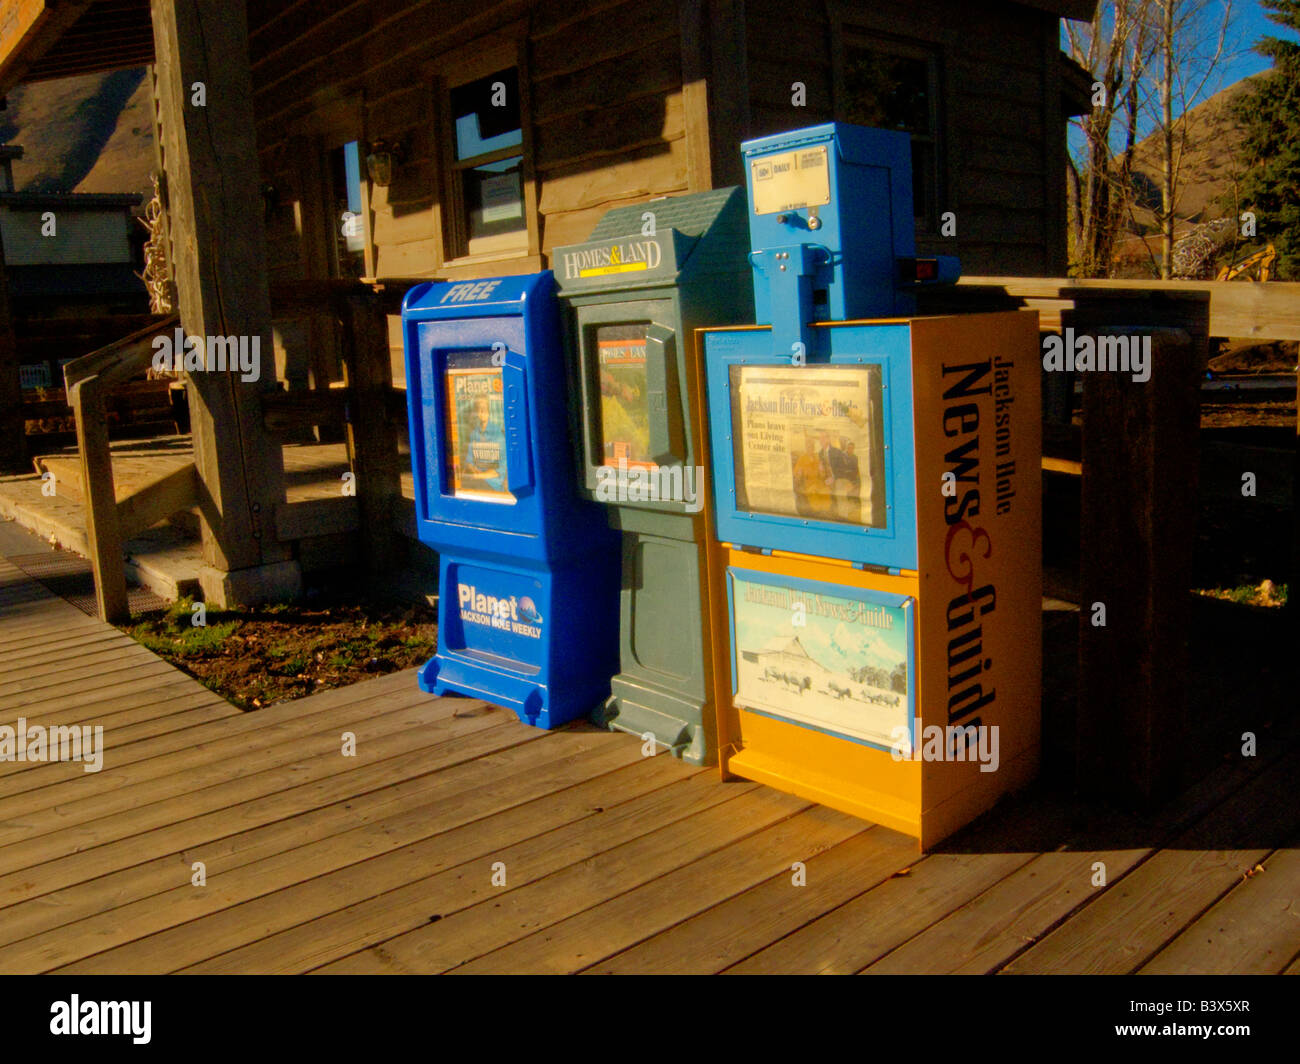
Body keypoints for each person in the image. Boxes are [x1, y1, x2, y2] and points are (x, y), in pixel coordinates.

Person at [465, 394, 506, 492]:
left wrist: (479, 476)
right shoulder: (474, 434)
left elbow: (502, 468)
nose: (482, 412)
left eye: (484, 409)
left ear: (489, 412)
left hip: (493, 486)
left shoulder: (497, 433)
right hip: (476, 484)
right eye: (479, 409)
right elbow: (469, 461)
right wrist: (473, 469)